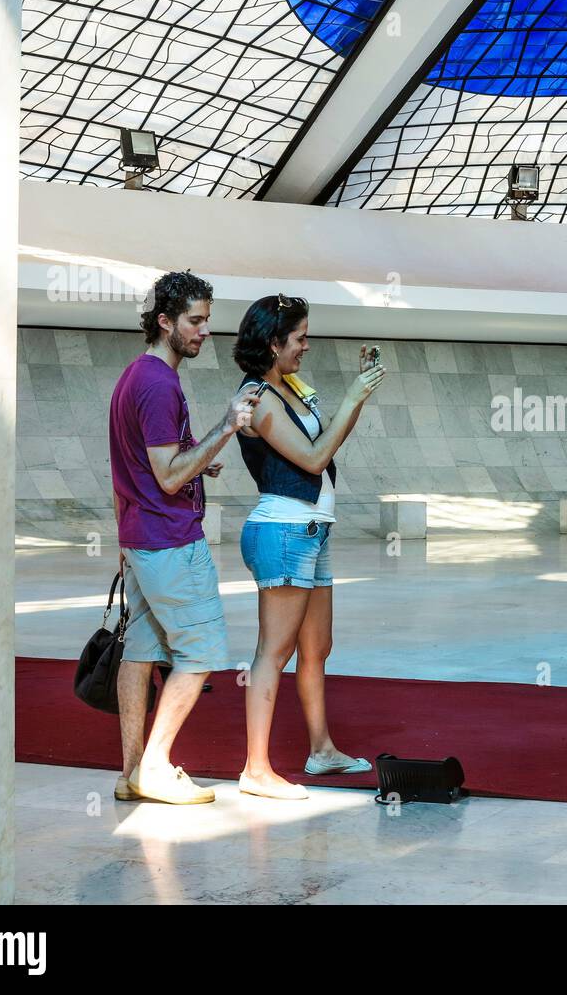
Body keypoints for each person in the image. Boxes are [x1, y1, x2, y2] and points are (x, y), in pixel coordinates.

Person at [110, 270, 260, 805]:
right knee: (199, 654)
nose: (204, 332)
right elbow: (169, 476)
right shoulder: (157, 383)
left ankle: (131, 773)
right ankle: (153, 768)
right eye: (195, 321)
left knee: (140, 653)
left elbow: (149, 466)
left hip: (142, 538)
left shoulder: (134, 376)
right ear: (165, 321)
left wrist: (199, 464)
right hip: (171, 542)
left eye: (207, 321)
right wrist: (226, 427)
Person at [231, 294, 387, 800]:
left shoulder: (287, 388)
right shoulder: (258, 398)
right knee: (271, 654)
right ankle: (256, 769)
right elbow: (315, 458)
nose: (306, 345)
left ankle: (321, 750)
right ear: (273, 342)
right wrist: (352, 396)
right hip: (283, 530)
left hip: (312, 530)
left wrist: (356, 398)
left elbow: (326, 440)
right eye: (299, 337)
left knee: (317, 648)